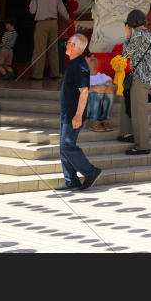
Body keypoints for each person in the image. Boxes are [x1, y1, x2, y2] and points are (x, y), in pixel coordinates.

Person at [55, 34, 100, 191]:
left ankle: (91, 171)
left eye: (68, 43)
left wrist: (78, 115)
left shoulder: (80, 64)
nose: (66, 46)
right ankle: (71, 180)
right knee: (63, 147)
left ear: (73, 46)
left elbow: (84, 92)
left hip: (74, 113)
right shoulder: (74, 63)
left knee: (67, 145)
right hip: (67, 112)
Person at [118, 9, 151, 155]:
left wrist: (128, 36)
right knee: (135, 108)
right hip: (148, 76)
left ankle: (142, 145)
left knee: (139, 113)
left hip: (140, 77)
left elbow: (126, 54)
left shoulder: (138, 35)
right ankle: (130, 134)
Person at [28, 0, 67, 81]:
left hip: (41, 23)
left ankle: (37, 75)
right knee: (53, 49)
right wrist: (69, 19)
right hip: (54, 23)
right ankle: (55, 73)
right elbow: (62, 9)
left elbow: (32, 11)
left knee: (40, 49)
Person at [83, 58, 116, 131]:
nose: (92, 57)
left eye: (95, 56)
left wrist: (106, 88)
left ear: (97, 63)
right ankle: (93, 121)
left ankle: (105, 121)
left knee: (110, 93)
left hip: (101, 105)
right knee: (95, 93)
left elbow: (111, 87)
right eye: (89, 56)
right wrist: (95, 89)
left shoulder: (103, 76)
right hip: (86, 107)